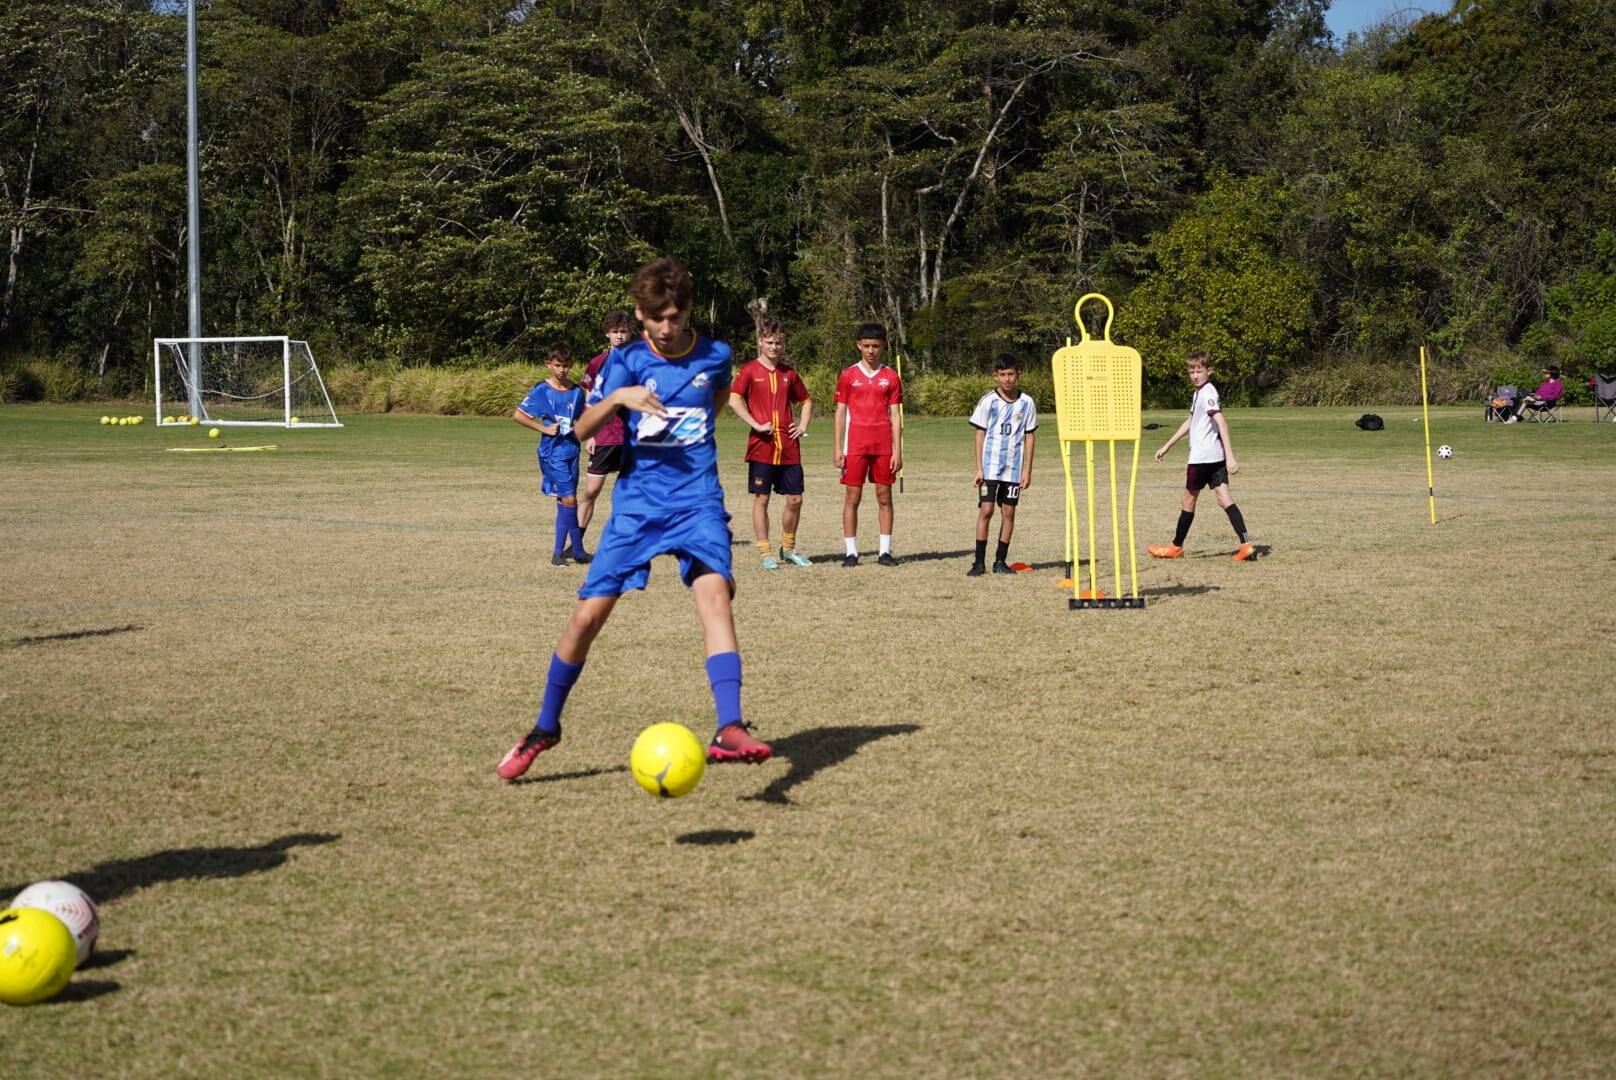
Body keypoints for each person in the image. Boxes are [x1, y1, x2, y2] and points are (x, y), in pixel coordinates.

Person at [496, 257, 772, 782]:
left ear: (688, 310)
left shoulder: (716, 356)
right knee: (587, 618)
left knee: (716, 596)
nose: (666, 329)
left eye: (675, 316)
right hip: (638, 509)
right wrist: (620, 396)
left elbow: (712, 406)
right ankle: (545, 728)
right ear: (641, 316)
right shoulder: (622, 362)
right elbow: (580, 430)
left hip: (697, 502)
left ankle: (729, 726)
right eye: (655, 318)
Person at [1146, 349, 1257, 563]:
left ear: (1209, 371)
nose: (1195, 375)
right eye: (1191, 371)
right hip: (1215, 457)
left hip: (1202, 458)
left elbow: (1222, 423)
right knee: (1224, 499)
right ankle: (1246, 544)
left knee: (1188, 500)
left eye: (1199, 370)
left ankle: (1176, 547)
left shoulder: (1207, 393)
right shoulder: (1200, 392)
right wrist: (1167, 445)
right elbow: (1191, 422)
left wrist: (1231, 457)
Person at [728, 317, 814, 569]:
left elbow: (806, 402)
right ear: (760, 343)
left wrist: (802, 426)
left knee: (795, 499)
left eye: (778, 343)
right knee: (761, 499)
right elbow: (734, 400)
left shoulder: (789, 373)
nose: (774, 347)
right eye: (769, 342)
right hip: (761, 447)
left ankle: (788, 549)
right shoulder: (748, 371)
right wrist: (755, 423)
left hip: (788, 447)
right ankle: (765, 553)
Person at [833, 323, 903, 567]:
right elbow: (840, 412)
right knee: (853, 497)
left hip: (883, 447)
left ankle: (885, 552)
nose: (871, 350)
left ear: (883, 345)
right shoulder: (848, 375)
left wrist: (898, 450)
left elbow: (895, 415)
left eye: (875, 345)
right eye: (866, 346)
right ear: (858, 346)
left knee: (884, 497)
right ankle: (851, 552)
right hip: (855, 447)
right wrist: (838, 448)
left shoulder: (891, 376)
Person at [513, 342, 588, 565]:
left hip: (572, 451)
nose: (562, 370)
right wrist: (544, 428)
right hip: (551, 453)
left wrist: (585, 433)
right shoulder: (541, 390)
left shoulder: (576, 392)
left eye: (566, 366)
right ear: (549, 364)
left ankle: (557, 554)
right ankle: (579, 551)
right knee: (571, 499)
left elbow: (582, 419)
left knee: (565, 502)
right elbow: (519, 415)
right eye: (557, 365)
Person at [966, 354, 1038, 576]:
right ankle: (979, 562)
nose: (1007, 379)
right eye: (1002, 375)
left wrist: (1027, 470)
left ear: (1018, 375)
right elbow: (980, 434)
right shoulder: (989, 401)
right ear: (995, 376)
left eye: (1011, 374)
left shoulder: (1027, 403)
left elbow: (1029, 437)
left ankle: (1000, 561)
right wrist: (979, 468)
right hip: (990, 467)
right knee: (986, 510)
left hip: (1013, 469)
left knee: (1008, 512)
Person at [576, 310, 636, 538]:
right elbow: (589, 401)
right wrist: (591, 434)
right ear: (607, 334)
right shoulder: (597, 363)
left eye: (623, 332)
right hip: (606, 436)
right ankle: (577, 542)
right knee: (591, 491)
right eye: (615, 332)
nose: (619, 336)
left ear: (630, 333)